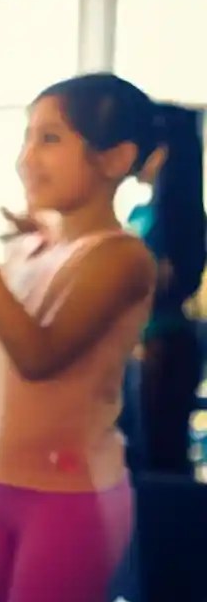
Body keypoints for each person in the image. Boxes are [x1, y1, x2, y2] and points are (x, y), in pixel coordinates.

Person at [0, 73, 158, 602]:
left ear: (115, 158)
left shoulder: (121, 256)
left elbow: (38, 355)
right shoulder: (33, 246)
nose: (26, 158)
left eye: (50, 138)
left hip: (68, 499)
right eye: (27, 137)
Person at [126, 103, 206, 476]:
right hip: (140, 341)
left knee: (162, 455)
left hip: (165, 344)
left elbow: (167, 281)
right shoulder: (141, 212)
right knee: (141, 452)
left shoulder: (181, 216)